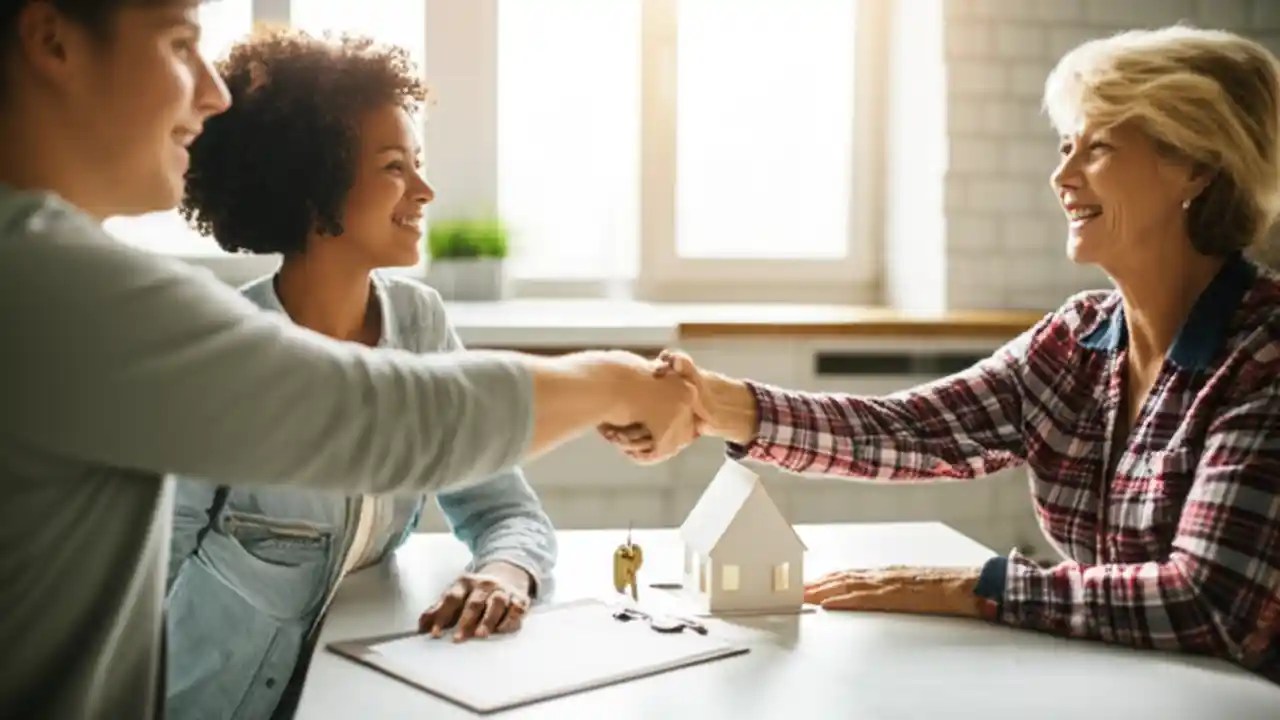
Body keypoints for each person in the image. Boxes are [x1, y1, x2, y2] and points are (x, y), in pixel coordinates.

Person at [0, 2, 697, 717]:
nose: (212, 94)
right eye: (180, 43)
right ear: (52, 40)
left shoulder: (59, 275)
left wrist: (507, 567)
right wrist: (615, 382)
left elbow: (482, 490)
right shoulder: (55, 288)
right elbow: (378, 419)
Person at [605, 25, 1280, 683]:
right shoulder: (1079, 339)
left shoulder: (1263, 356)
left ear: (1196, 166)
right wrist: (715, 406)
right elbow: (912, 431)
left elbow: (1206, 603)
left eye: (1098, 148)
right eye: (1066, 145)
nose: (1061, 175)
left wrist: (971, 586)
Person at [161, 31, 558, 719]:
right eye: (395, 167)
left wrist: (503, 572)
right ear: (314, 188)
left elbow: (503, 507)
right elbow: (139, 579)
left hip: (354, 693)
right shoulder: (223, 357)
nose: (426, 190)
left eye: (418, 163)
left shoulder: (422, 326)